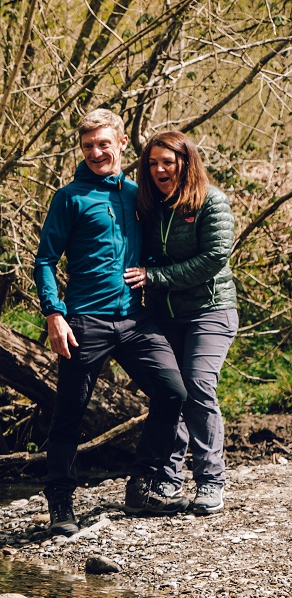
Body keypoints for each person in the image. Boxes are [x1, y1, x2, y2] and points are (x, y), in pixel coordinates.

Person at [33, 109, 189, 537]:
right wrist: (54, 314)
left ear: (121, 143)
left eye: (104, 144)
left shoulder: (139, 194)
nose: (96, 152)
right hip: (85, 321)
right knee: (70, 412)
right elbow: (45, 260)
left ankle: (141, 486)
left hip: (136, 320)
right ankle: (60, 503)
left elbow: (160, 244)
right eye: (88, 146)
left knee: (173, 392)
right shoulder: (69, 198)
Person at [125, 131, 237, 515]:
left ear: (185, 164)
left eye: (167, 163)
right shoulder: (147, 207)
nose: (159, 170)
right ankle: (168, 478)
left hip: (210, 310)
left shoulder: (211, 201)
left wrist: (155, 277)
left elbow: (214, 257)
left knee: (198, 385)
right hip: (163, 315)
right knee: (171, 391)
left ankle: (210, 482)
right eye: (153, 163)